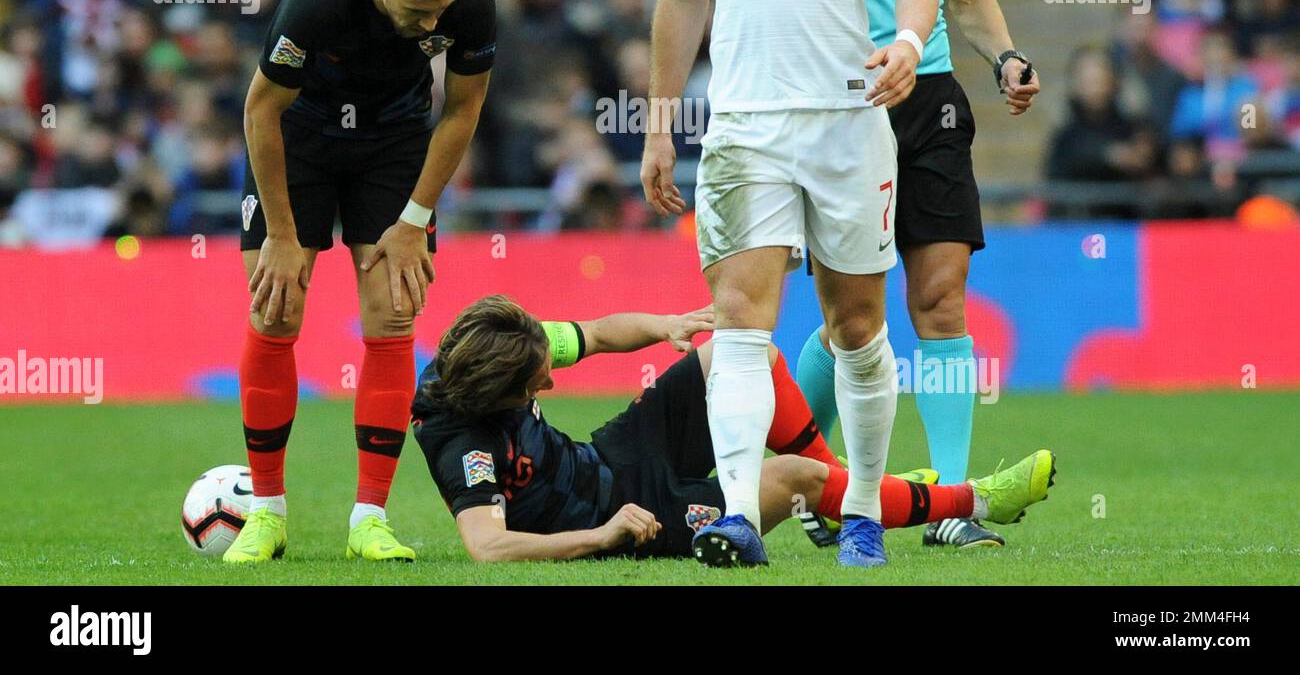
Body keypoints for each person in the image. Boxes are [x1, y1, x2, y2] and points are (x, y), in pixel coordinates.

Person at [641, 0, 940, 568]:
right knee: (738, 322)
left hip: (850, 120)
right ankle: (736, 511)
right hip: (743, 126)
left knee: (855, 326)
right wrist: (661, 123)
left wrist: (909, 41)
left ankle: (860, 511)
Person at [793, 0, 1041, 548]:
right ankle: (802, 476)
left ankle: (952, 506)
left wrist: (1005, 57)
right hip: (840, 103)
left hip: (929, 100)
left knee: (938, 299)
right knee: (848, 319)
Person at [224, 0, 496, 564]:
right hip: (300, 135)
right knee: (275, 306)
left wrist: (413, 218)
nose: (433, 25)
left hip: (395, 141)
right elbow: (260, 109)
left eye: (442, 9)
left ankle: (368, 519)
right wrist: (283, 235)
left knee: (394, 311)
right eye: (417, 12)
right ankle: (266, 513)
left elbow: (462, 109)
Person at [412, 295, 1056, 562]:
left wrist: (667, 326)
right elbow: (486, 547)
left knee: (742, 354)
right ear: (496, 394)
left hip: (611, 456)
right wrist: (603, 534)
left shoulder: (499, 345)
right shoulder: (465, 443)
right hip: (632, 512)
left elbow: (601, 334)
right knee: (798, 477)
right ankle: (974, 499)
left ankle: (845, 499)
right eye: (535, 385)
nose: (547, 385)